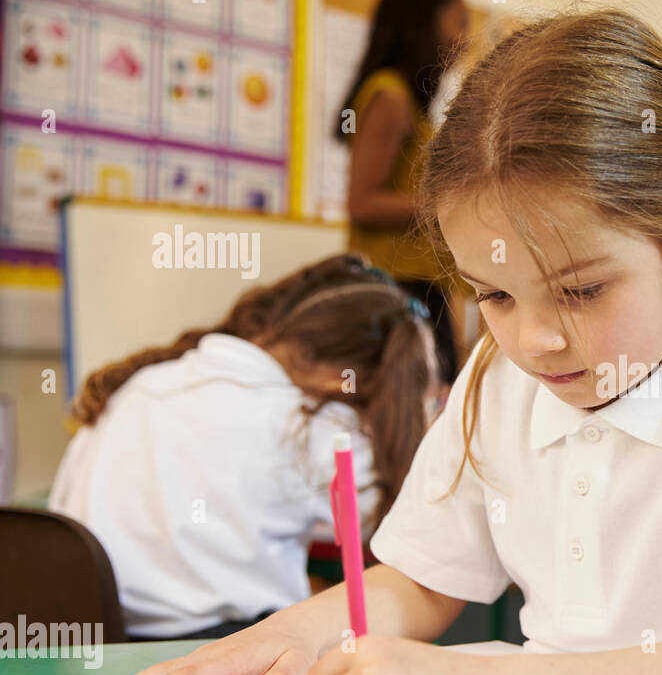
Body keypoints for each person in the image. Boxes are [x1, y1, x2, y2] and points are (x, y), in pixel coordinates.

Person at [101, 9, 662, 675]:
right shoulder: (498, 377)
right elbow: (422, 579)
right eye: (494, 294)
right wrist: (296, 636)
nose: (534, 340)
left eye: (582, 291)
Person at [51, 255, 440, 640]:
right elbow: (401, 521)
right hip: (225, 654)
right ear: (346, 380)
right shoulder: (307, 421)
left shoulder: (138, 384)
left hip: (95, 644)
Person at [338, 0, 469, 382]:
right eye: (459, 23)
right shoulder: (390, 95)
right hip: (396, 286)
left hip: (419, 283)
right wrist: (450, 205)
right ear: (423, 24)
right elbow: (363, 202)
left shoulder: (410, 101)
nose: (466, 39)